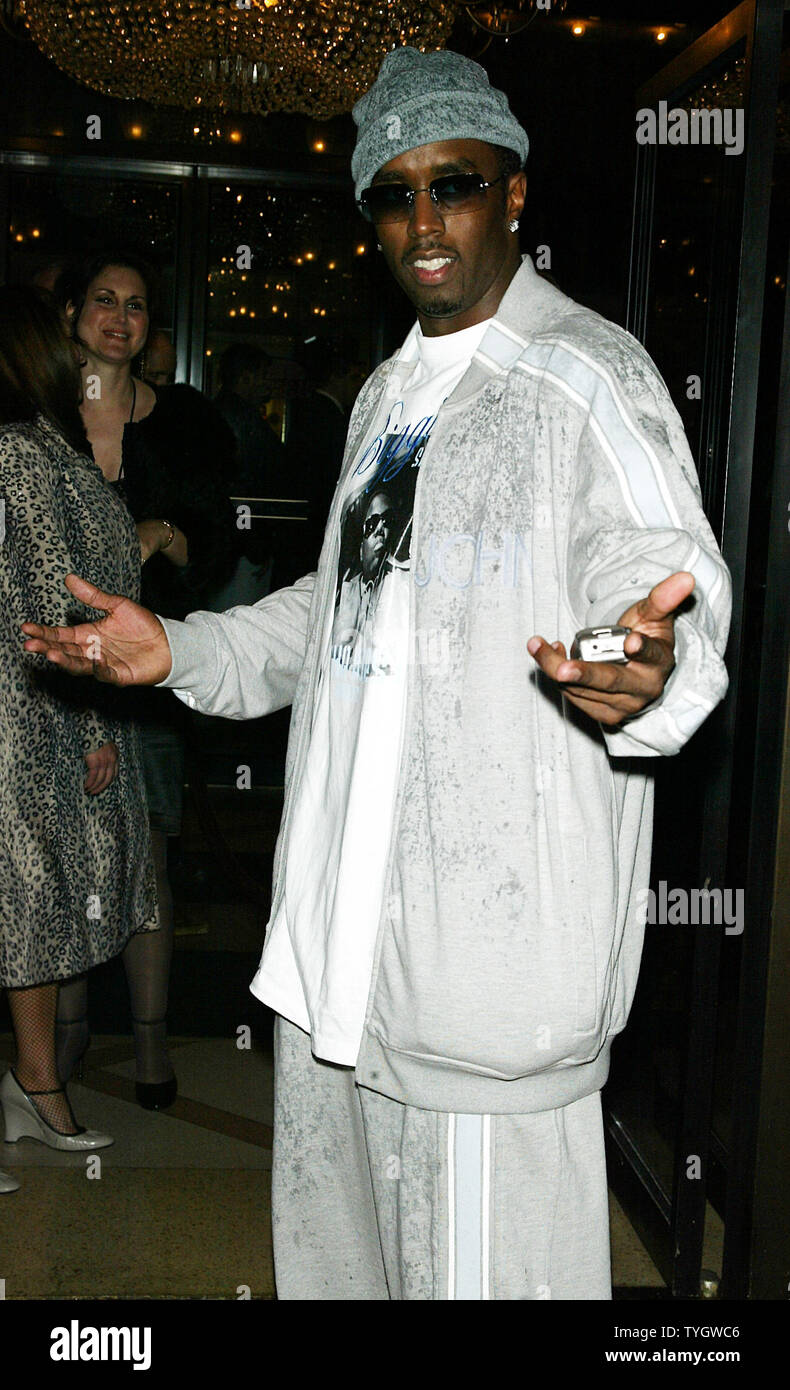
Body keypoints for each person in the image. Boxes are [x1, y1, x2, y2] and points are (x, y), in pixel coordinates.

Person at [22, 47, 732, 1299]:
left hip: (478, 996)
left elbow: (665, 584)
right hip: (328, 978)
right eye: (392, 193)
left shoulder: (589, 379)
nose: (423, 220)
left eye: (451, 184)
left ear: (513, 193)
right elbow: (334, 617)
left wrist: (644, 664)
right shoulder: (388, 392)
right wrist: (178, 648)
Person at [53, 251, 236, 1109]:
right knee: (62, 856)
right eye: (102, 300)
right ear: (70, 314)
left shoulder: (185, 421)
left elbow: (217, 544)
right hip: (46, 671)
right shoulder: (34, 414)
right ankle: (68, 1032)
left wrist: (161, 533)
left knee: (146, 856)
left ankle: (154, 1049)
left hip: (154, 664)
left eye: (134, 305)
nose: (119, 317)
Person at [0, 286, 159, 1192]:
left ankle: (35, 1083)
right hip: (32, 708)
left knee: (33, 903)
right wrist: (94, 717)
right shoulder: (23, 451)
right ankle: (34, 1085)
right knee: (23, 901)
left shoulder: (44, 443)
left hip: (43, 705)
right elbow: (42, 594)